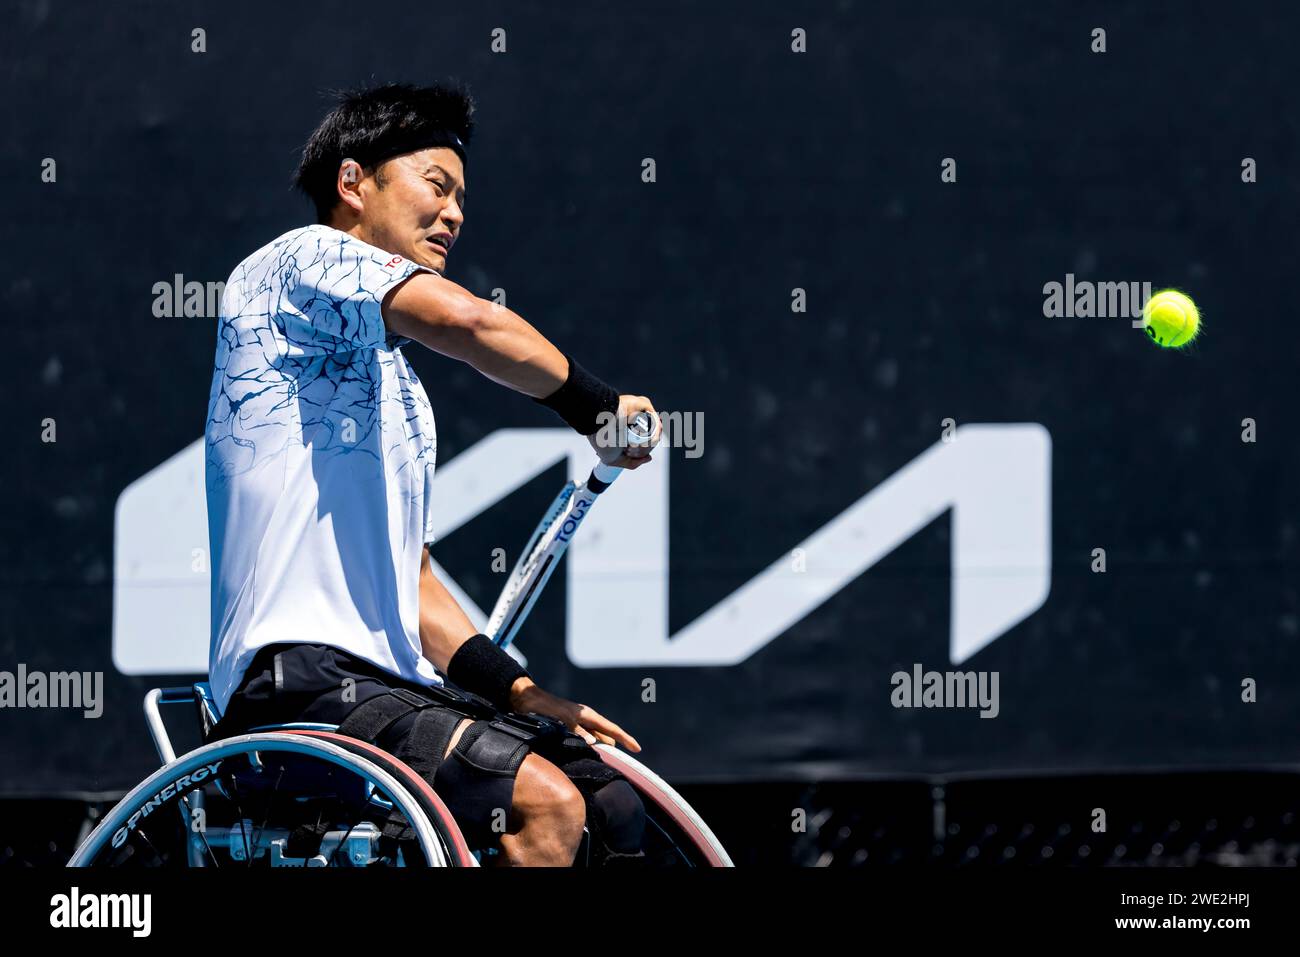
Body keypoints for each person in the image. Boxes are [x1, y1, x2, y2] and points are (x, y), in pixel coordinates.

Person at [204, 81, 662, 866]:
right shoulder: (295, 261)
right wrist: (598, 410)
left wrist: (516, 690)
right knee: (545, 806)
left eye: (461, 197)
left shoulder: (398, 390)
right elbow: (472, 320)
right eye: (436, 186)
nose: (455, 213)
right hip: (293, 685)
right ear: (354, 184)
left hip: (389, 682)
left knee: (612, 801)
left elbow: (410, 582)